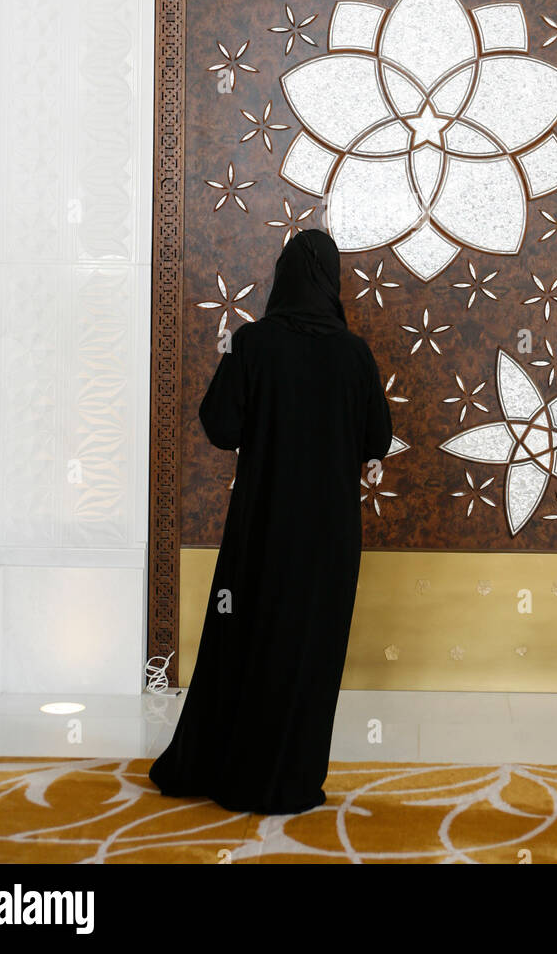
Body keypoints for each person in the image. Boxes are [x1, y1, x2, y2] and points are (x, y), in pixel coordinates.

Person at [149, 227, 393, 815]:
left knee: (245, 639)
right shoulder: (354, 354)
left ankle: (222, 767)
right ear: (332, 283)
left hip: (261, 529)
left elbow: (220, 426)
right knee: (310, 650)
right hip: (329, 537)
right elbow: (378, 439)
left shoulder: (251, 343)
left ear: (284, 276)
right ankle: (287, 779)